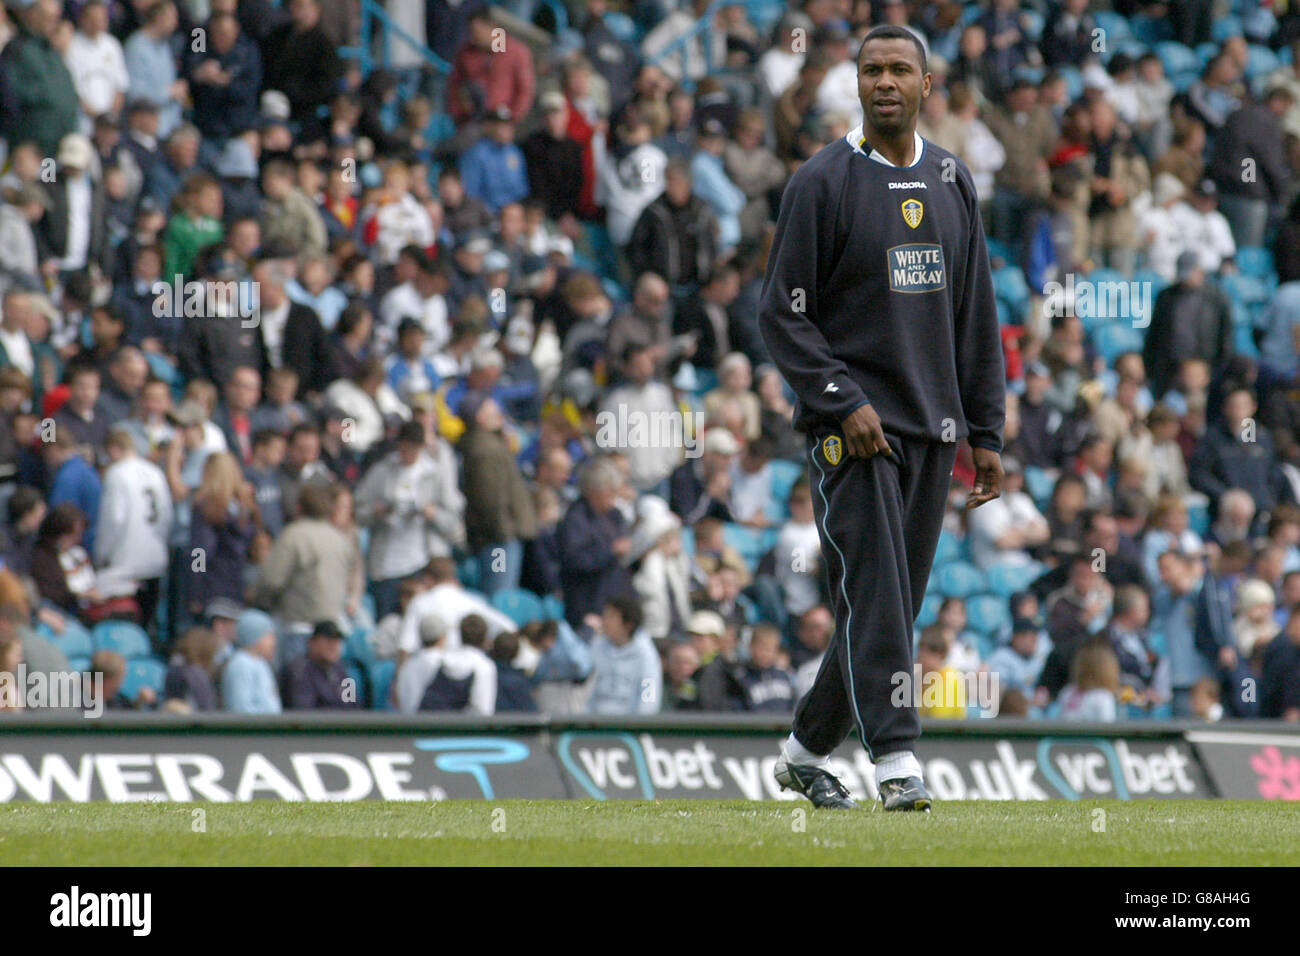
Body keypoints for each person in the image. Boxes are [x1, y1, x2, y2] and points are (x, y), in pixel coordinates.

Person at [758, 26, 1004, 811]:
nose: (885, 82)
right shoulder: (820, 182)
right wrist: (841, 400)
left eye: (901, 70)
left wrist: (986, 432)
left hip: (932, 430)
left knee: (889, 602)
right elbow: (782, 315)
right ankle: (896, 759)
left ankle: (802, 752)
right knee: (879, 594)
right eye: (872, 71)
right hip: (852, 433)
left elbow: (974, 312)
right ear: (856, 85)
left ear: (927, 85)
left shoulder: (953, 178)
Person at [587, 594, 662, 715]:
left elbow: (649, 698)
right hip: (596, 726)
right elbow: (587, 692)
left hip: (628, 728)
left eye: (610, 617)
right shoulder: (597, 646)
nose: (604, 621)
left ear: (628, 624)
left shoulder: (646, 655)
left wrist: (636, 727)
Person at [282, 619, 357, 709]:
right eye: (328, 641)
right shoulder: (300, 671)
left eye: (337, 641)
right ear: (313, 643)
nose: (333, 646)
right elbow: (305, 713)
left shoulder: (340, 670)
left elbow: (353, 706)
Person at [221, 608, 282, 713]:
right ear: (254, 636)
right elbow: (240, 708)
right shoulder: (240, 664)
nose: (273, 642)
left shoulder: (261, 663)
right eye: (268, 636)